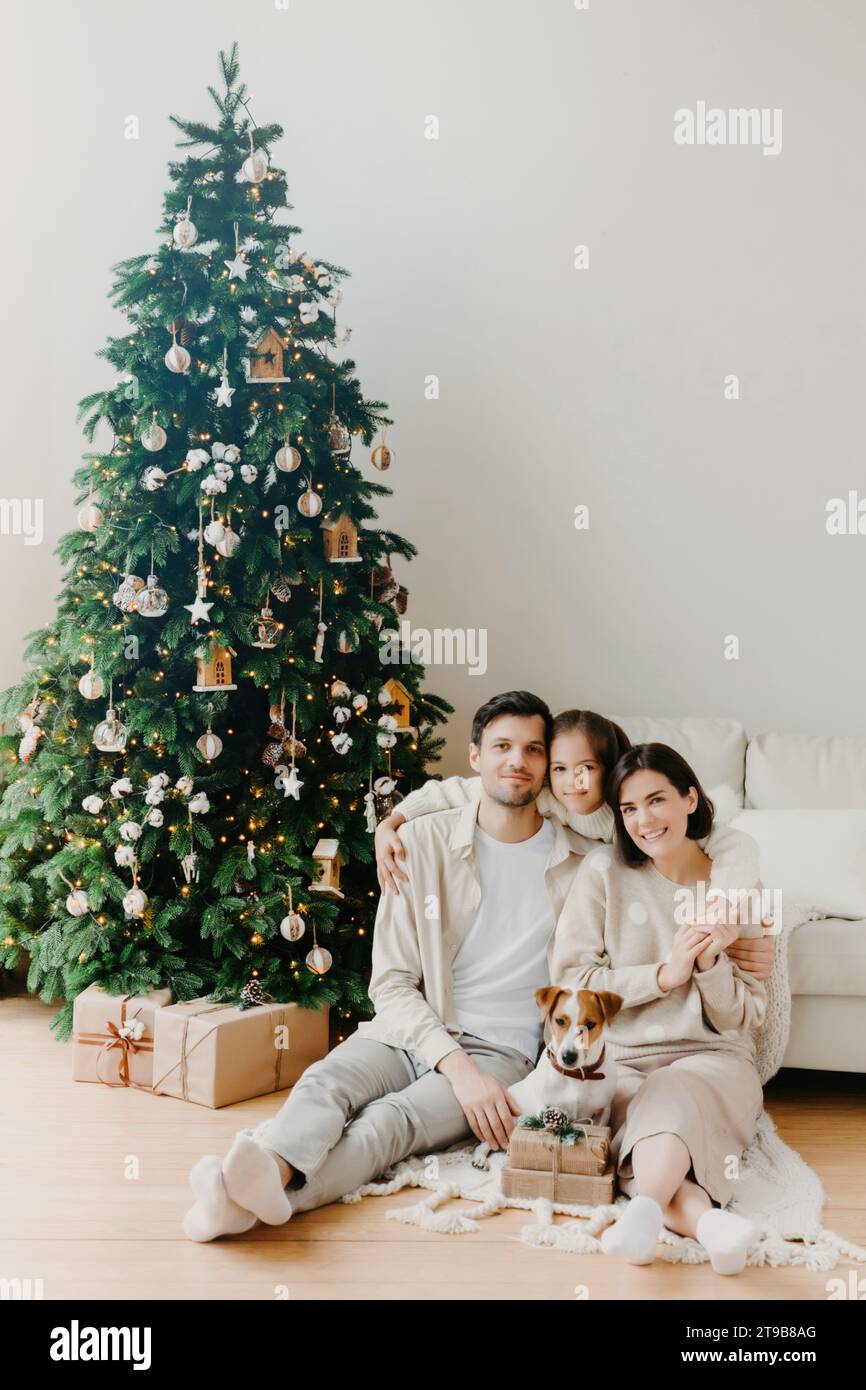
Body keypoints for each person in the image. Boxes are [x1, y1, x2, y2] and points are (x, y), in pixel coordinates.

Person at [182, 690, 591, 1241]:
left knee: (389, 1124)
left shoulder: (579, 863)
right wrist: (455, 1066)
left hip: (501, 1052)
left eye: (532, 750)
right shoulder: (419, 843)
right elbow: (393, 982)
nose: (516, 761)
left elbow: (653, 831)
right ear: (475, 758)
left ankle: (254, 1201)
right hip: (412, 1028)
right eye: (502, 746)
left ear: (546, 765)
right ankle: (269, 1178)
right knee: (325, 1082)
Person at [550, 742, 769, 1275]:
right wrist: (663, 975)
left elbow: (748, 1016)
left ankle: (642, 1212)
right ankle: (713, 1228)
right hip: (622, 1060)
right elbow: (571, 982)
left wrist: (711, 967)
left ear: (690, 798)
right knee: (654, 1118)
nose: (643, 821)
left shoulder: (738, 888)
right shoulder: (603, 872)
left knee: (667, 1094)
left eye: (657, 800)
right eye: (628, 809)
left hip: (715, 1060)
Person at [374, 708, 775, 985]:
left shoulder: (642, 812)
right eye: (560, 769)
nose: (572, 783)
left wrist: (724, 910)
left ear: (610, 766)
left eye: (586, 769)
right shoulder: (549, 797)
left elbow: (737, 847)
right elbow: (460, 790)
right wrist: (392, 821)